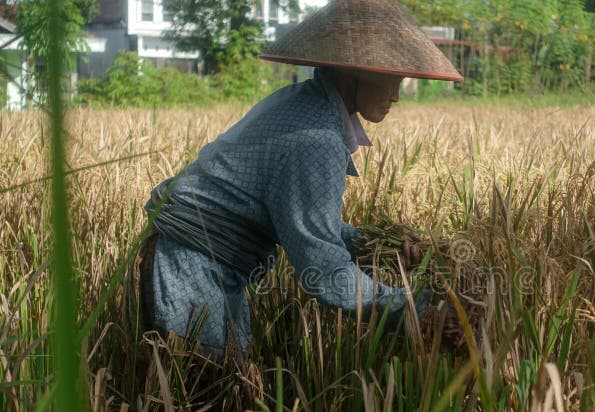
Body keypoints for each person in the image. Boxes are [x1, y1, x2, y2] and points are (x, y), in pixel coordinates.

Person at [136, 0, 463, 360]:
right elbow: (324, 272)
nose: (396, 95)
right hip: (191, 269)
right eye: (391, 78)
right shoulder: (317, 137)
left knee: (226, 387)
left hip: (197, 262)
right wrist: (416, 311)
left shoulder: (302, 104)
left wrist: (375, 247)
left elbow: (300, 219)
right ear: (353, 73)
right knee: (204, 394)